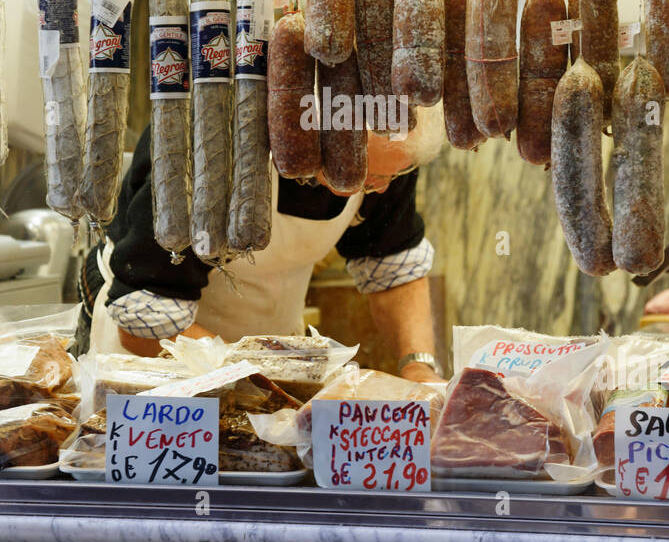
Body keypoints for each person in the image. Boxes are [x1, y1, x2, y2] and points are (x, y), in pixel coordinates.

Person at [79, 105, 446, 383]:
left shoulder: (387, 140)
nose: (379, 188)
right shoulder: (207, 144)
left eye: (391, 175)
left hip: (270, 361)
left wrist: (419, 366)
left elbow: (392, 262)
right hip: (154, 365)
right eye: (367, 176)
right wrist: (258, 378)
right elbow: (144, 329)